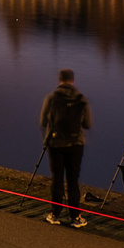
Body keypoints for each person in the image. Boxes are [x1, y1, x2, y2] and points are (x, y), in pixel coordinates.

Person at [40, 69, 93, 228]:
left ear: (59, 80)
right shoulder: (81, 99)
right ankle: (75, 216)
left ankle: (55, 214)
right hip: (76, 144)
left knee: (57, 178)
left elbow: (43, 121)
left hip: (55, 144)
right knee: (73, 180)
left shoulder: (51, 98)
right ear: (73, 80)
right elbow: (87, 125)